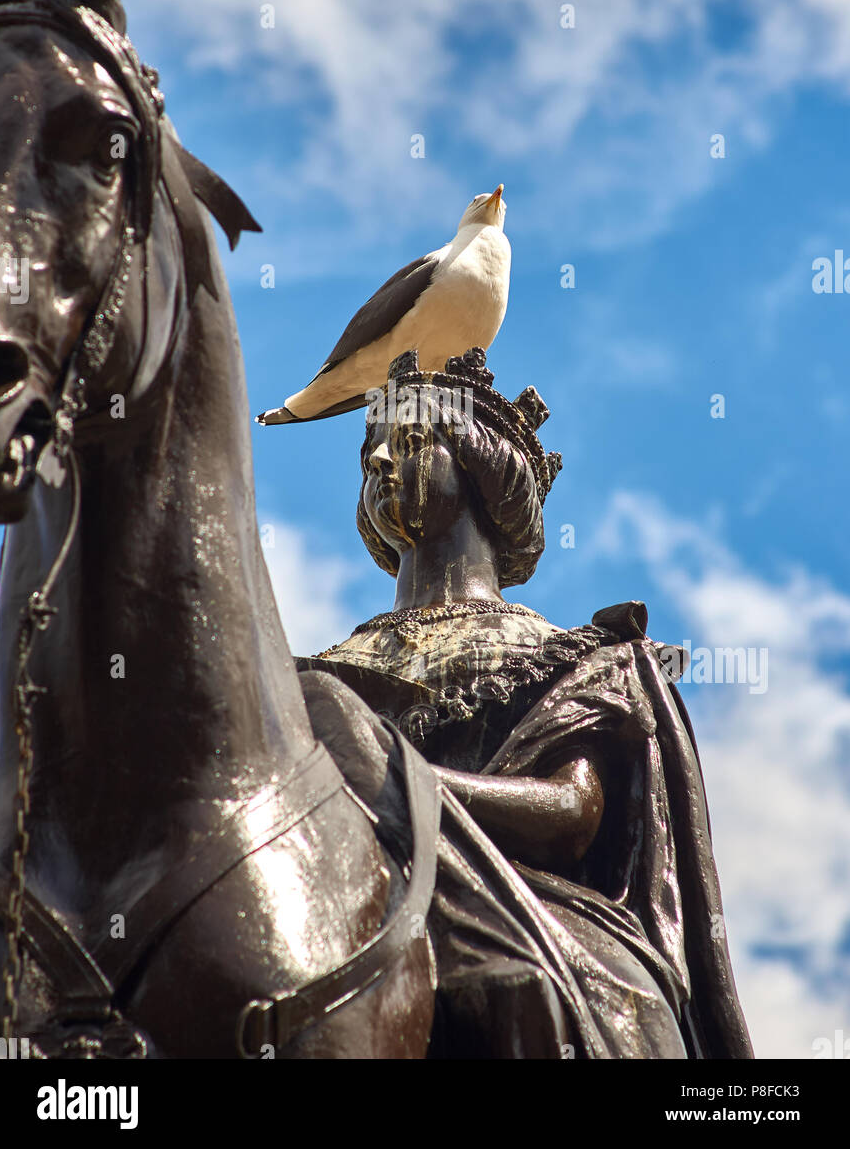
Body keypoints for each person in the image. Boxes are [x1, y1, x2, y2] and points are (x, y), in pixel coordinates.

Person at [297, 348, 753, 1059]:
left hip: (523, 907)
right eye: (371, 453)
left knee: (513, 987)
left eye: (412, 440)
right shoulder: (316, 677)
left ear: (480, 467)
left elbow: (572, 816)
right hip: (341, 897)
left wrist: (391, 779)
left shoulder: (577, 658)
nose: (382, 461)